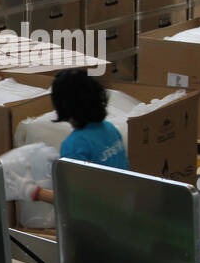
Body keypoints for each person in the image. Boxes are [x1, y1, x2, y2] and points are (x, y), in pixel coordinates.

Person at [29, 69, 128, 204]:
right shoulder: (110, 129)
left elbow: (73, 201)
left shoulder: (75, 145)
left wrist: (36, 192)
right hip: (123, 209)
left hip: (99, 220)